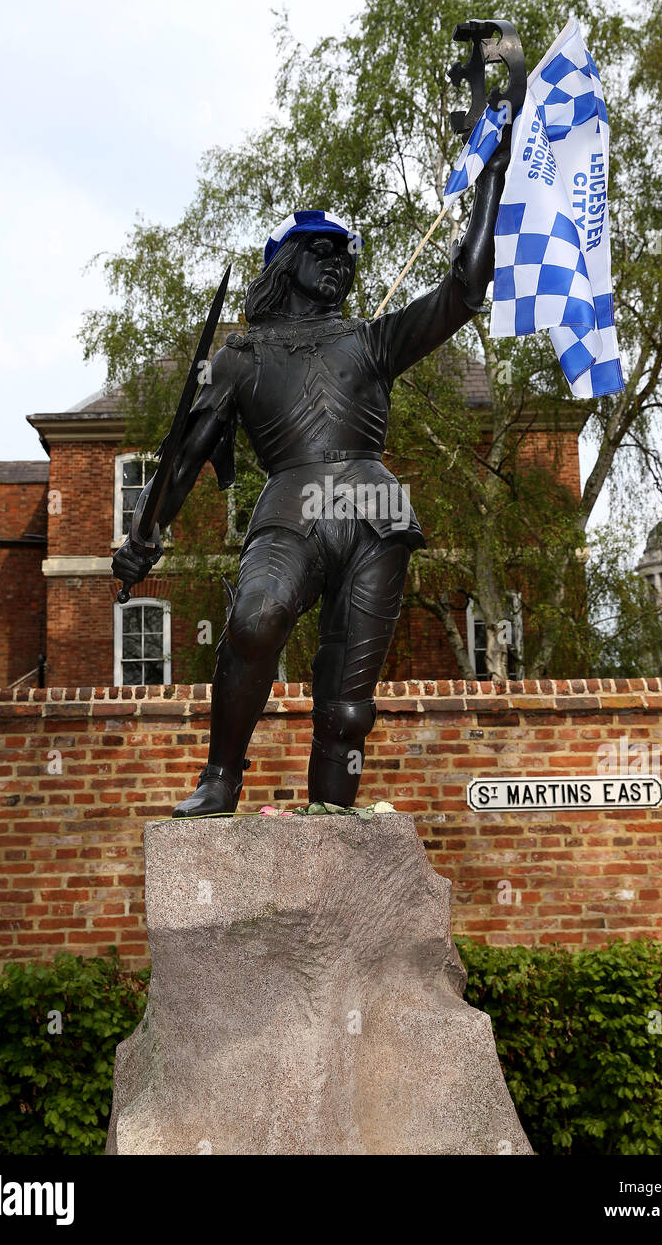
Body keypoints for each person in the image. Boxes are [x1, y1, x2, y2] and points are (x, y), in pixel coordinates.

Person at [112, 139, 510, 817]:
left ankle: (333, 823)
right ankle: (220, 778)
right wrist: (143, 530)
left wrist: (491, 178)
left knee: (348, 707)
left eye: (344, 253)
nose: (338, 261)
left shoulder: (372, 339)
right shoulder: (239, 356)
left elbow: (465, 291)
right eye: (320, 250)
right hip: (292, 504)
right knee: (257, 617)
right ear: (287, 263)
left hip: (375, 512)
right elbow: (183, 453)